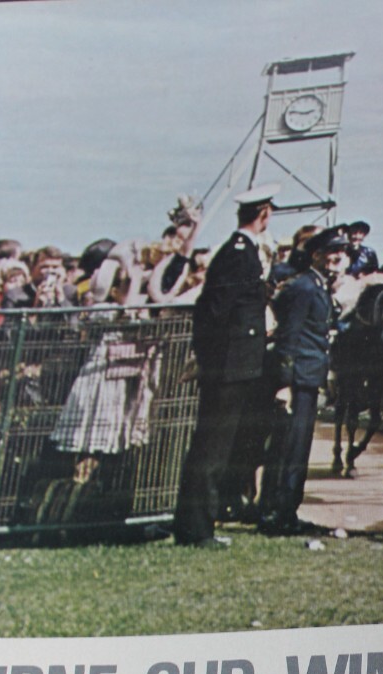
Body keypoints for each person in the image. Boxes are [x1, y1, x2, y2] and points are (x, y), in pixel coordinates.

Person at [171, 182, 281, 548]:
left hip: (237, 364)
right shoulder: (238, 254)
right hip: (229, 367)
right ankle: (195, 529)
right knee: (211, 450)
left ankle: (198, 524)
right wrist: (211, 360)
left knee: (216, 448)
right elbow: (215, 311)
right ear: (264, 214)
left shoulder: (242, 252)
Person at [261, 228, 349, 536]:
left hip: (309, 376)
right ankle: (276, 514)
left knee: (297, 449)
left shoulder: (318, 286)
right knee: (289, 448)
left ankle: (286, 511)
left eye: (342, 253)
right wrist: (284, 383)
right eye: (333, 252)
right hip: (297, 378)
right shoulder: (304, 287)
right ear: (316, 255)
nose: (339, 257)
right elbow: (289, 337)